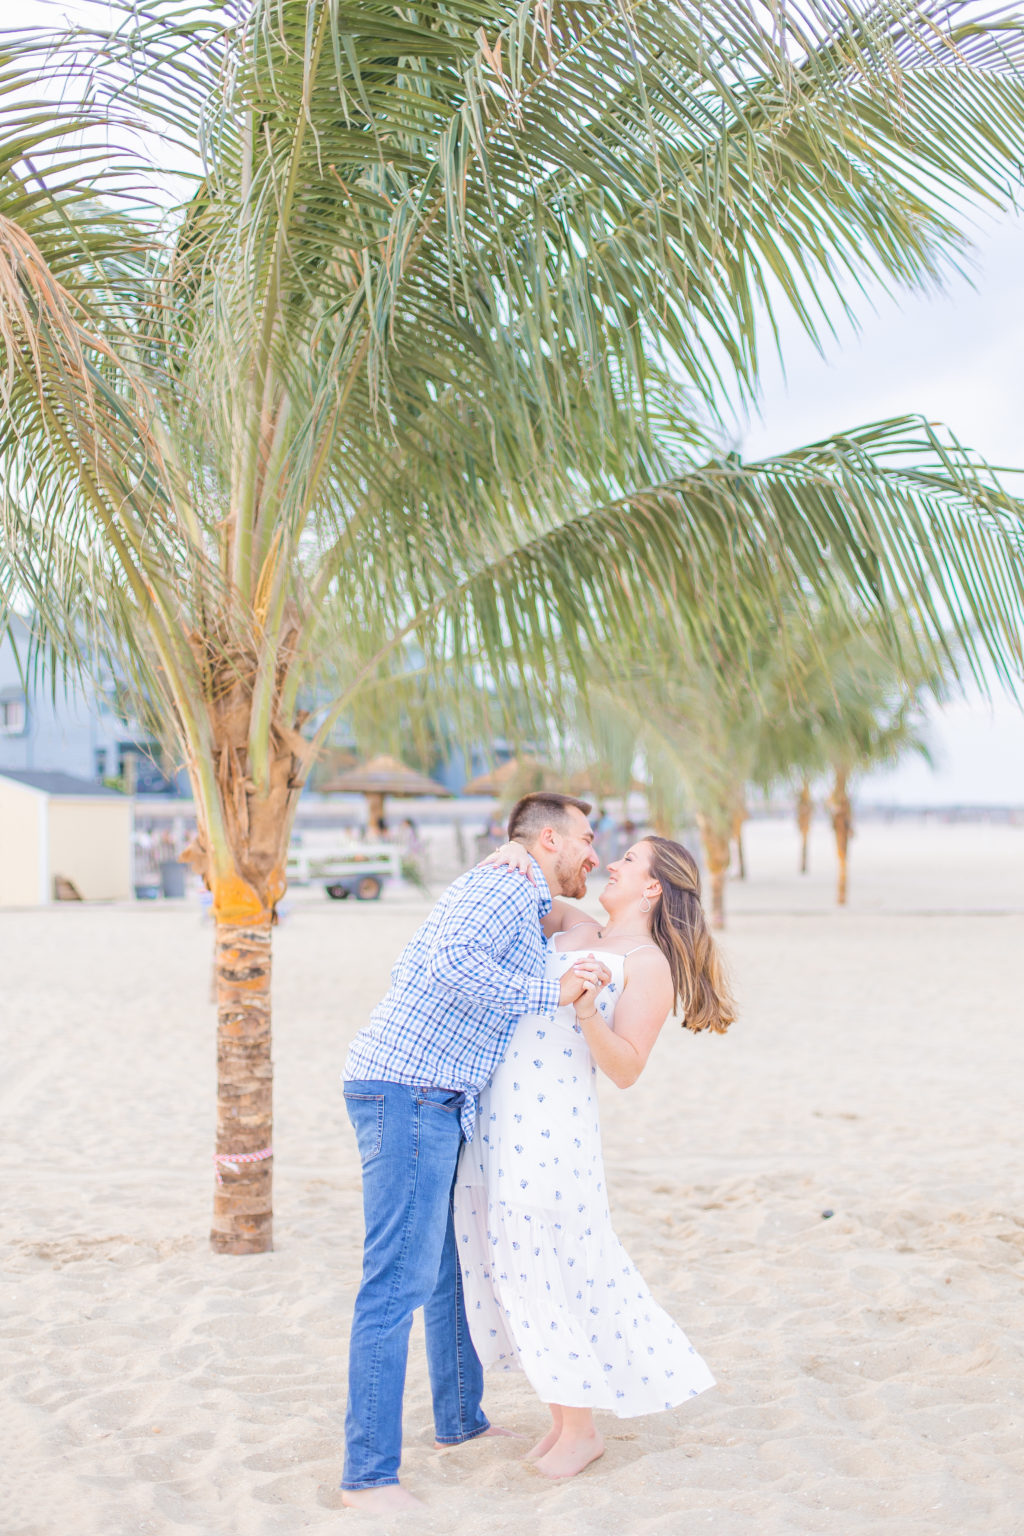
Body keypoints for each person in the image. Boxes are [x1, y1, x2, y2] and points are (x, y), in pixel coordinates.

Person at [340, 792, 600, 1510]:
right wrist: (552, 989)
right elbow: (453, 963)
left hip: (434, 1096)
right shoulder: (502, 886)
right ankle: (368, 1478)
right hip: (407, 1091)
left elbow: (573, 921)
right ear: (549, 839)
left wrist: (531, 871)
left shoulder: (519, 887)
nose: (595, 851)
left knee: (447, 1267)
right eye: (586, 837)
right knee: (395, 1282)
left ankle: (459, 1422)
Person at [454, 833, 736, 1479]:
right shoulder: (577, 928)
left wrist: (585, 1011)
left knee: (552, 1272)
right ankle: (563, 1421)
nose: (612, 862)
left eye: (629, 860)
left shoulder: (646, 962)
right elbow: (518, 891)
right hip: (499, 1121)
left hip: (552, 1132)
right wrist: (515, 852)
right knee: (519, 1272)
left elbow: (627, 1068)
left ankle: (581, 1431)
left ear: (653, 887)